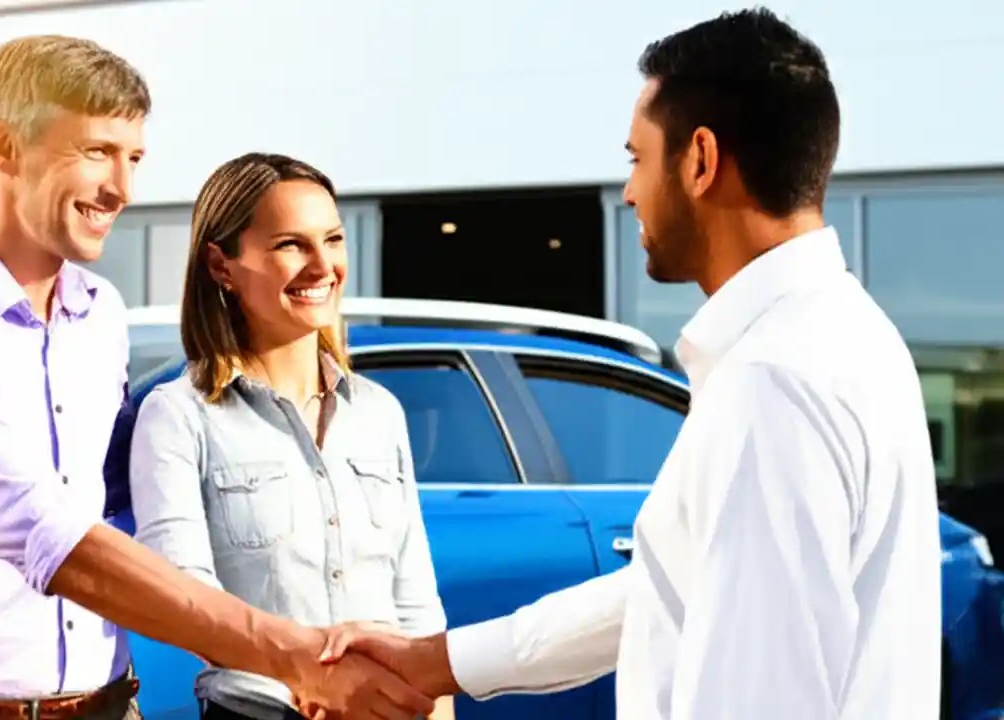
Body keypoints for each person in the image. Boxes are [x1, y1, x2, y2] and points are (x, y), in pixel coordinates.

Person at [314, 8, 942, 720]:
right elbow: (666, 588)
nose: (629, 192)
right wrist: (436, 662)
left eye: (638, 158)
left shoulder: (772, 380)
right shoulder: (849, 335)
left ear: (701, 161)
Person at [0, 35, 434, 720]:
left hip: (109, 707)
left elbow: (120, 507)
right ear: (3, 147)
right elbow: (43, 534)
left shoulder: (100, 317)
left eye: (134, 158)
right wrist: (294, 655)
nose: (121, 189)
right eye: (95, 152)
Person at [126, 152, 456, 720]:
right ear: (221, 265)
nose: (322, 265)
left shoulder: (379, 413)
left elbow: (418, 608)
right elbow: (188, 604)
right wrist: (307, 677)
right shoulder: (179, 416)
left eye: (332, 239)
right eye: (290, 245)